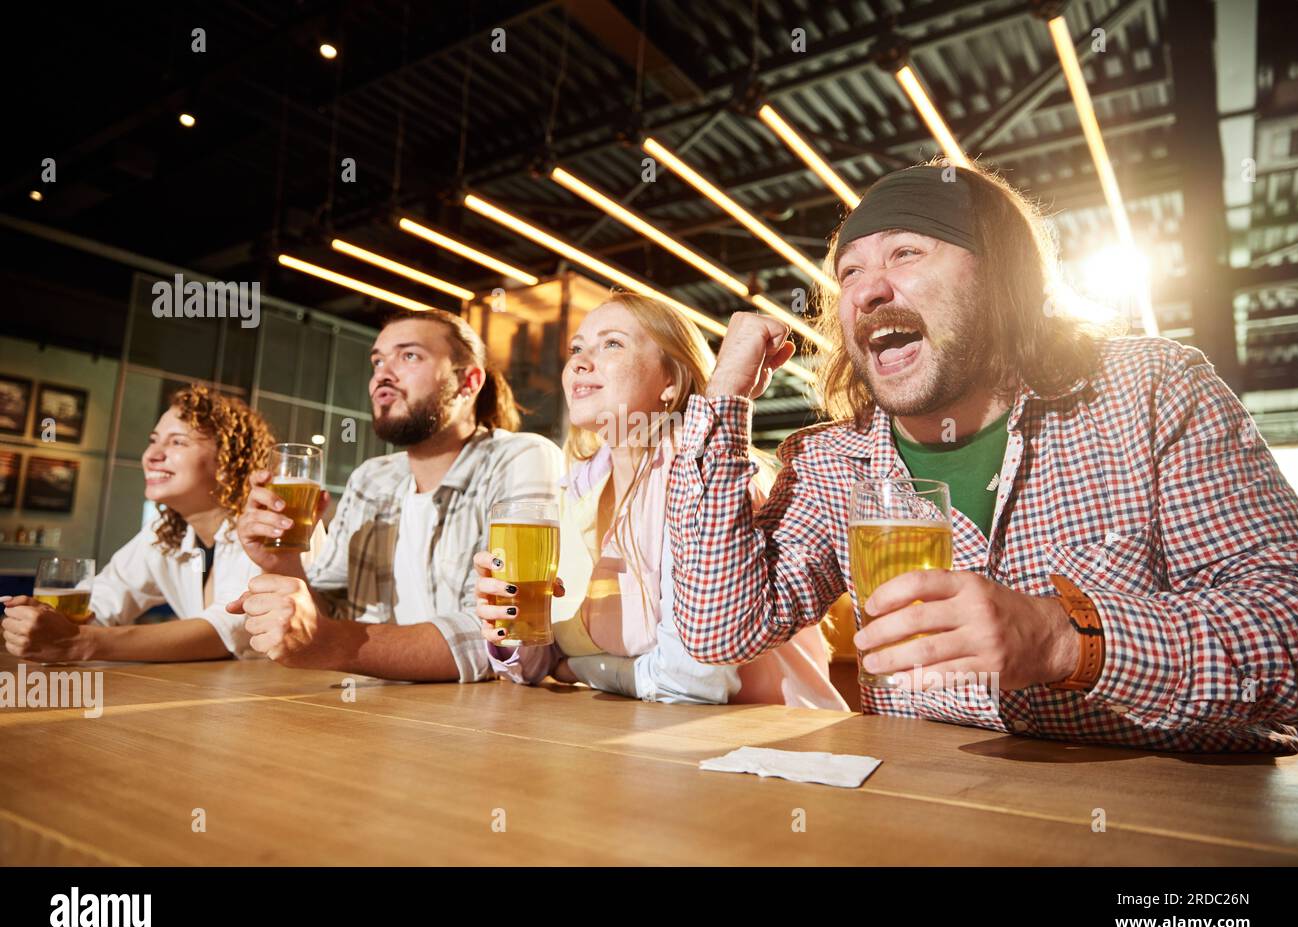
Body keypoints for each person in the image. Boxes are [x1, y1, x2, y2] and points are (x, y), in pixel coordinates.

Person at [666, 159, 1298, 751]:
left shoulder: (1152, 392)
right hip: (941, 818)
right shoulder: (833, 459)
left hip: (1174, 826)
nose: (865, 292)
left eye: (906, 252)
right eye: (849, 272)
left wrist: (1066, 642)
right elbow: (719, 628)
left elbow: (1285, 625)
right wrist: (725, 397)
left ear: (1000, 273)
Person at [472, 290, 847, 709]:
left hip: (777, 743)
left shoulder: (704, 478)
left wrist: (578, 669)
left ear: (670, 382)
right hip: (664, 742)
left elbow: (693, 681)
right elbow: (539, 661)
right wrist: (510, 628)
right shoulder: (576, 491)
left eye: (612, 343)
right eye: (577, 348)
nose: (579, 360)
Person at [229, 308, 565, 683]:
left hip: (474, 719)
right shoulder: (370, 479)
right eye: (377, 361)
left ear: (468, 382)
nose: (381, 375)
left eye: (409, 356)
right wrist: (284, 561)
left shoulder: (519, 457)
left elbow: (507, 635)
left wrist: (331, 643)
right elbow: (329, 611)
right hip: (372, 707)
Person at [2, 385, 288, 661]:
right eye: (153, 440)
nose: (151, 455)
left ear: (227, 463)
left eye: (177, 442)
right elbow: (104, 602)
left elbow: (227, 632)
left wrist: (81, 643)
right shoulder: (164, 533)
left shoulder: (265, 527)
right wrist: (42, 621)